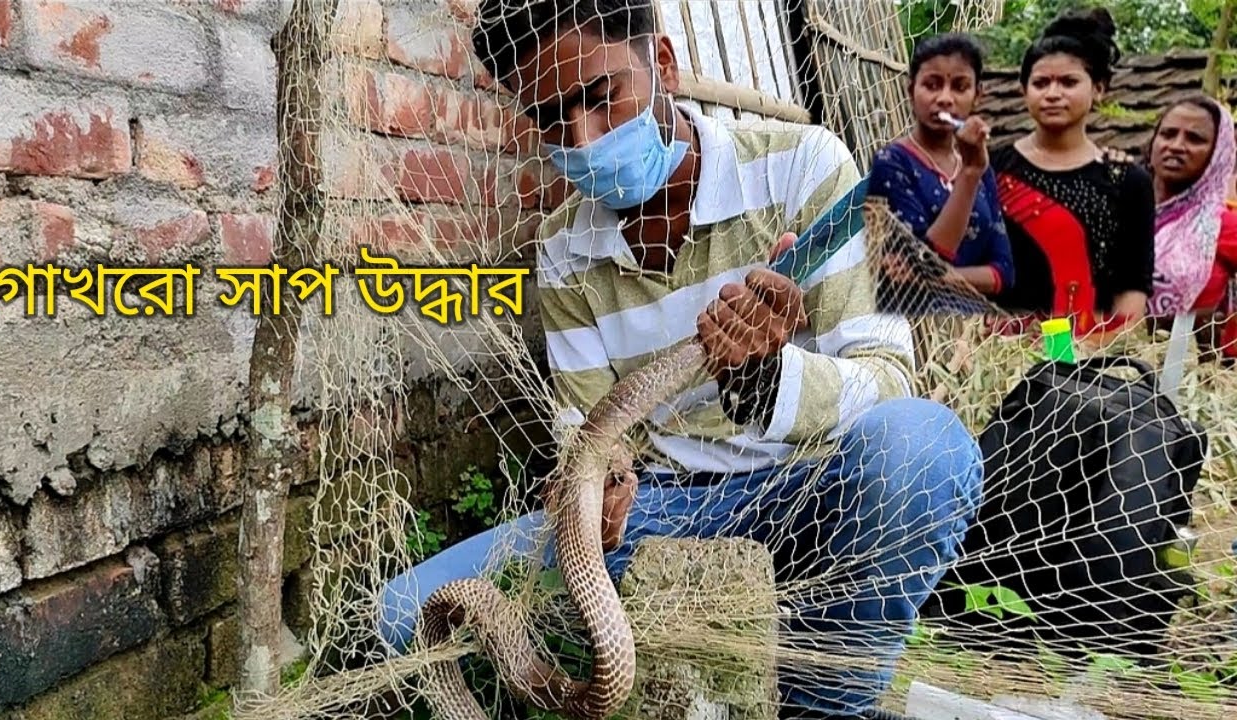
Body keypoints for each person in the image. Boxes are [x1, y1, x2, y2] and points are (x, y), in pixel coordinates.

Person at [375, 1, 986, 718]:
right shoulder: (564, 248)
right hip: (661, 508)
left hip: (809, 488)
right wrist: (599, 485)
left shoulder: (800, 166)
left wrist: (770, 381)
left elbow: (887, 376)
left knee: (922, 447)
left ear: (662, 65)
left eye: (600, 96)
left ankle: (824, 703)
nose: (582, 139)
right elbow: (589, 430)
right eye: (550, 120)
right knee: (399, 617)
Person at [989, 7, 1156, 338]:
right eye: (1041, 83)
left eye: (1068, 82)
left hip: (1090, 354)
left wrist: (1094, 353)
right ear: (1024, 91)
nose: (1053, 94)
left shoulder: (1127, 181)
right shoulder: (990, 169)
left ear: (1099, 89)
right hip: (998, 350)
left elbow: (1132, 289)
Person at [867, 32, 1014, 309]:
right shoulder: (892, 163)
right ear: (911, 91)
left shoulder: (982, 169)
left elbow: (1004, 272)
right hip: (916, 322)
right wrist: (968, 175)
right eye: (932, 85)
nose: (945, 98)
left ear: (977, 95)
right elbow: (927, 262)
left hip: (976, 322)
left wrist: (943, 277)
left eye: (960, 87)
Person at [1144, 95, 1237, 363]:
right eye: (1168, 134)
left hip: (1191, 378)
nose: (1176, 146)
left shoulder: (1223, 226)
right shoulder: (1116, 212)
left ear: (1219, 154)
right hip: (1096, 368)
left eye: (1195, 139)